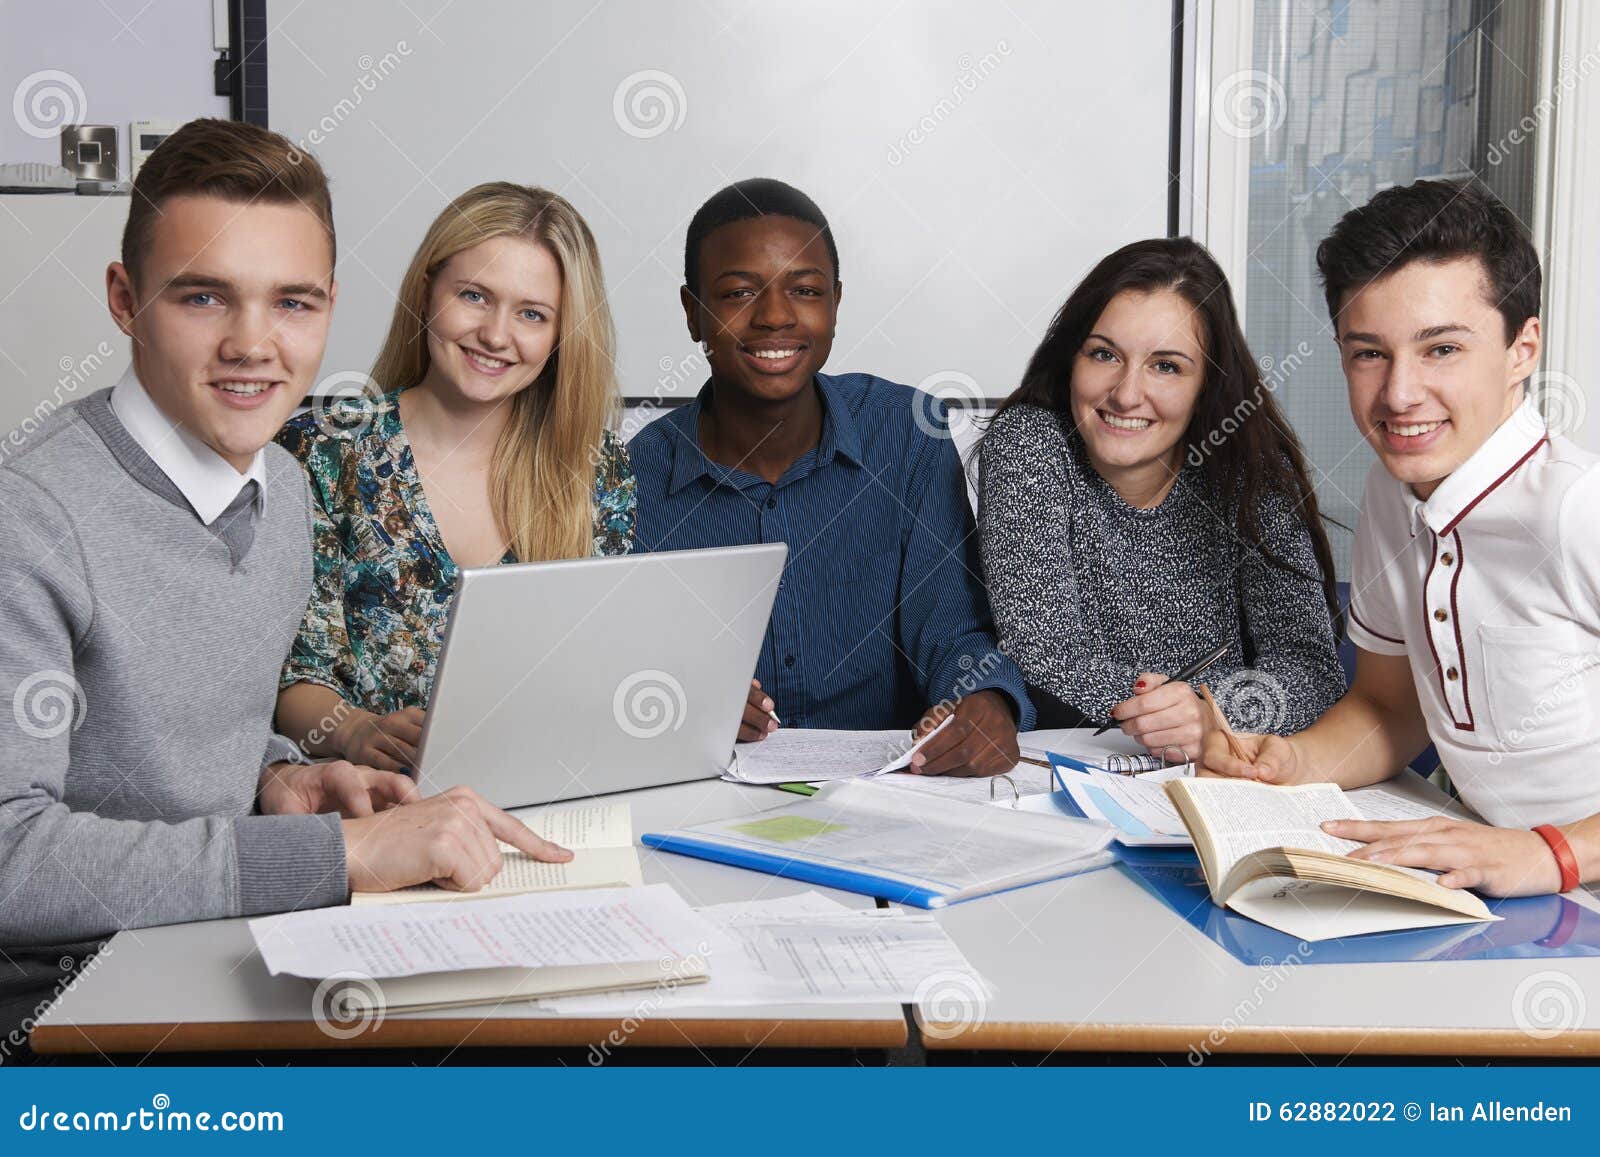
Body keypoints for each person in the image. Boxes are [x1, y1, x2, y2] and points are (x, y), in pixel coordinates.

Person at [0, 120, 568, 1054]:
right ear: (123, 298)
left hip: (224, 955)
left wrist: (282, 777)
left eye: (294, 303)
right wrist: (338, 852)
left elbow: (161, 740)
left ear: (332, 307)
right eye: (203, 297)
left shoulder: (289, 488)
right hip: (64, 1017)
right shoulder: (32, 519)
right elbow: (13, 859)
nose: (253, 345)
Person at [1202, 178, 1600, 897]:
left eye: (1441, 348)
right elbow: (1390, 706)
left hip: (1563, 880)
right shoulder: (1393, 492)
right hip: (1508, 892)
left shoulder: (1580, 507)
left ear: (1522, 348)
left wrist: (1553, 855)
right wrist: (1292, 762)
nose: (1399, 394)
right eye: (1369, 353)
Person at [627, 178, 1032, 777]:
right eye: (739, 292)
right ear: (694, 312)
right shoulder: (634, 480)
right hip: (699, 798)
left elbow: (950, 629)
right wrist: (676, 703)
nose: (774, 317)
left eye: (805, 290)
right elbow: (615, 672)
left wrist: (985, 701)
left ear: (836, 304)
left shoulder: (909, 435)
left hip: (883, 799)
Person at [274, 183, 635, 772]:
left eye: (532, 314)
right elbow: (295, 679)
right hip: (374, 808)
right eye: (473, 295)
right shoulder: (321, 449)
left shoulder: (595, 465)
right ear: (427, 291)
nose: (496, 335)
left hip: (542, 789)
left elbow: (596, 665)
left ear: (562, 334)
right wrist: (357, 732)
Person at [978, 238, 1345, 760]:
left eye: (1166, 366)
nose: (1126, 394)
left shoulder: (1249, 468)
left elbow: (1309, 666)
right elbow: (1043, 650)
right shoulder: (1030, 443)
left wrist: (1211, 713)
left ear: (1208, 385)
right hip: (1068, 763)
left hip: (1225, 771)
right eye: (1104, 354)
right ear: (1071, 358)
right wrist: (1169, 713)